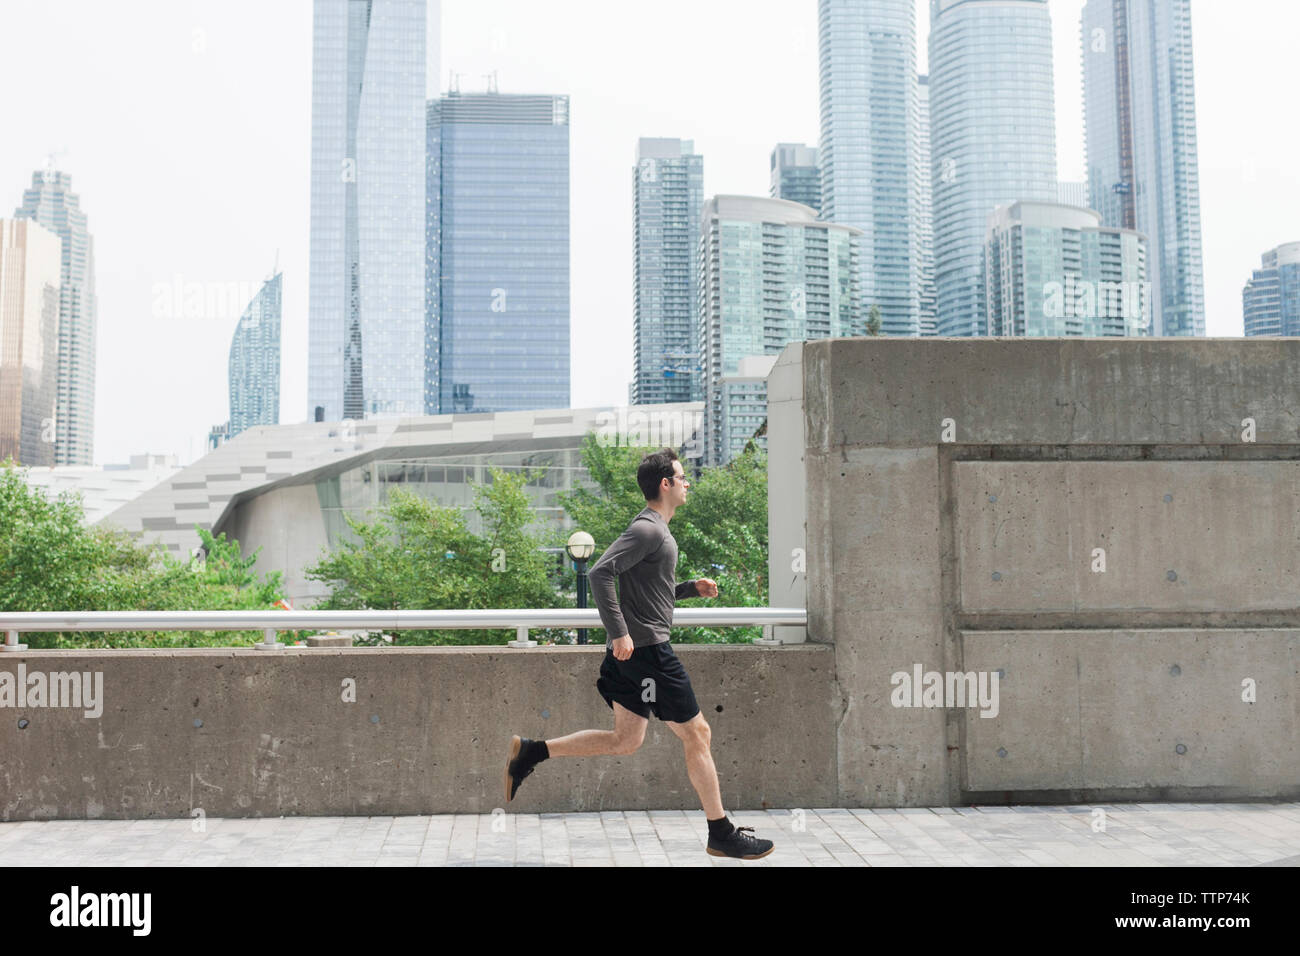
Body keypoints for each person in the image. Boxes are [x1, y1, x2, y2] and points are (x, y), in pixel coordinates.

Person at [503, 447, 774, 860]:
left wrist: (687, 589)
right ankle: (720, 832)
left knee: (625, 740)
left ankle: (532, 752)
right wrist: (620, 633)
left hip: (634, 653)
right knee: (698, 733)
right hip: (648, 653)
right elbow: (600, 572)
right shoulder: (649, 529)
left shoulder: (658, 531)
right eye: (682, 477)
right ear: (665, 484)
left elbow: (641, 589)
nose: (687, 483)